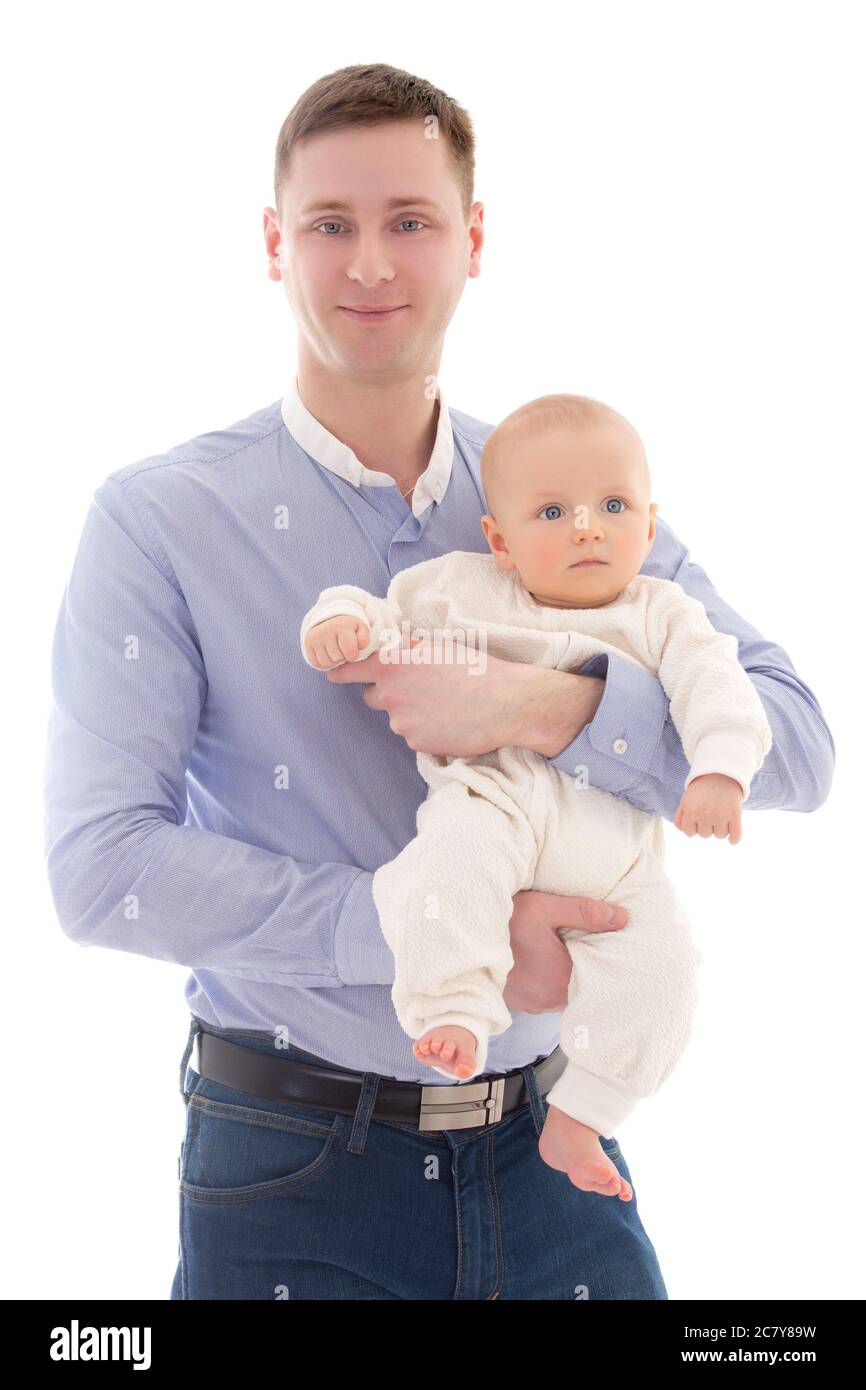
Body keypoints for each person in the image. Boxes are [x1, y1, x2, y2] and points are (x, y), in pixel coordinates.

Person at [42, 63, 835, 1300]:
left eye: (410, 222)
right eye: (329, 225)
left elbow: (795, 747)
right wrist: (443, 935)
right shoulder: (157, 521)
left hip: (553, 1143)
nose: (370, 265)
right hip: (290, 1159)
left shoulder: (568, 491)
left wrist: (553, 704)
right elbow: (100, 872)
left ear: (472, 241)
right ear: (273, 245)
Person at [300, 390, 772, 1200]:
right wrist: (339, 623)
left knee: (665, 972)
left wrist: (720, 771)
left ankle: (586, 1113)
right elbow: (379, 612)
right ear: (502, 542)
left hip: (616, 854)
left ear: (648, 529)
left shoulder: (665, 612)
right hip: (496, 800)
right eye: (552, 512)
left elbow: (718, 688)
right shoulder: (463, 586)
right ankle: (452, 1008)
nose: (587, 526)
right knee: (445, 870)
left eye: (613, 506)